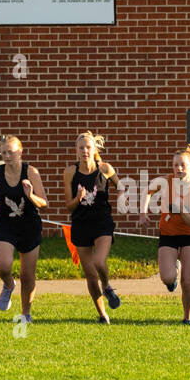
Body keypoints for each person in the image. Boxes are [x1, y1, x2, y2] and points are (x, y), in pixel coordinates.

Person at [141, 145, 190, 323]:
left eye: (183, 165)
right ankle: (172, 276)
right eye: (176, 165)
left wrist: (183, 212)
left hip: (189, 237)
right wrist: (143, 212)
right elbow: (148, 190)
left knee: (188, 281)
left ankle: (187, 318)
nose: (179, 169)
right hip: (168, 235)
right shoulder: (166, 181)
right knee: (167, 277)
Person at [0, 135, 46, 322]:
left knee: (27, 275)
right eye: (3, 152)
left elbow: (44, 202)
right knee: (3, 266)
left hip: (29, 226)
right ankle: (8, 284)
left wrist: (30, 195)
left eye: (11, 152)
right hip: (6, 225)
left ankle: (25, 313)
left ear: (20, 151)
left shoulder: (31, 172)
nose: (7, 156)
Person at [65, 131, 121, 323]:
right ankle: (102, 315)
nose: (85, 151)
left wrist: (121, 195)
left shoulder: (104, 168)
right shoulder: (70, 172)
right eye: (81, 148)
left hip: (102, 222)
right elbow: (69, 206)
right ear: (76, 151)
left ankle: (107, 286)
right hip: (81, 224)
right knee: (90, 274)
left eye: (88, 147)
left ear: (94, 149)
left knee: (99, 261)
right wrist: (77, 199)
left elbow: (119, 186)